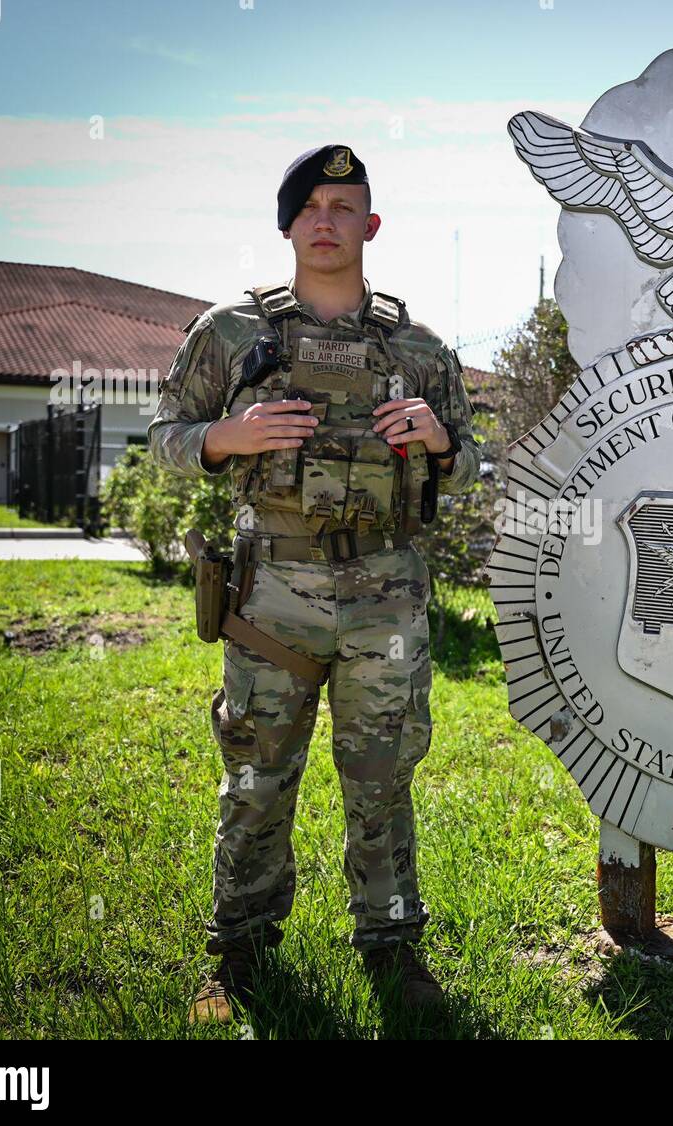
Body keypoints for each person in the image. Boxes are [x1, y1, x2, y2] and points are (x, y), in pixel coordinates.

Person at [147, 144, 481, 1023]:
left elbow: (473, 462)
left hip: (388, 596)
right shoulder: (231, 334)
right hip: (273, 596)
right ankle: (242, 951)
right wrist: (228, 437)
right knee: (257, 774)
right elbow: (163, 435)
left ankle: (393, 948)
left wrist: (441, 442)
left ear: (370, 225)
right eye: (310, 207)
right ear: (289, 224)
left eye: (344, 205)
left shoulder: (419, 347)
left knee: (383, 777)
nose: (326, 221)